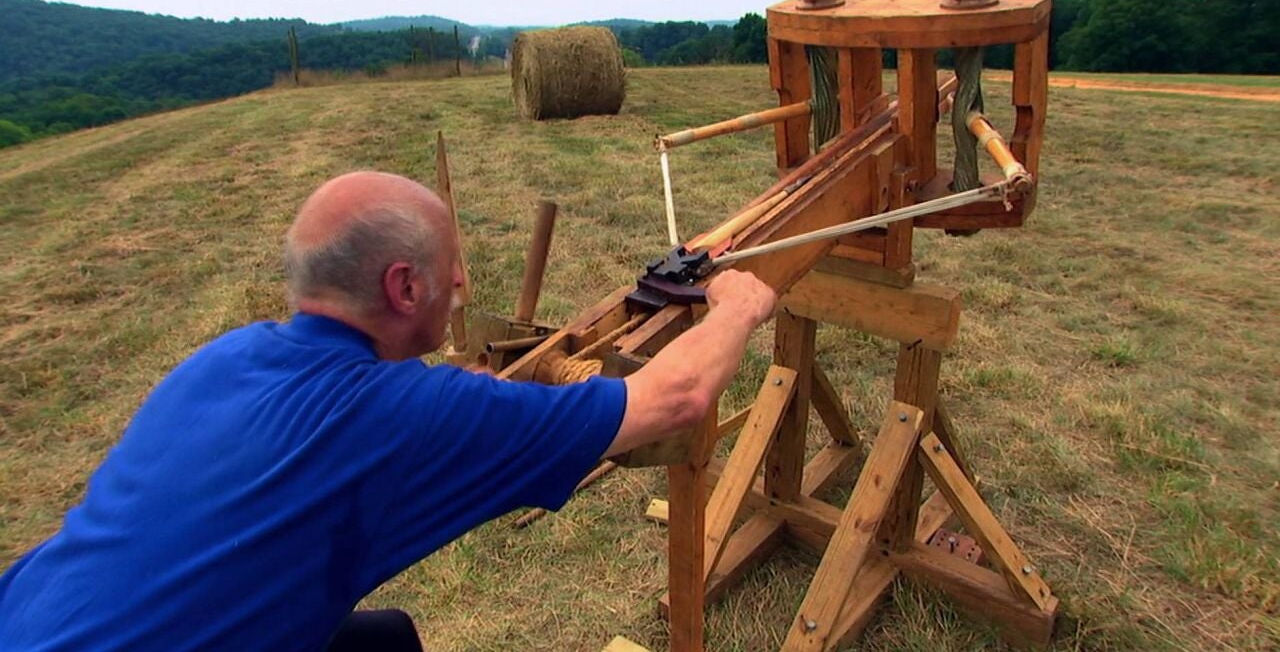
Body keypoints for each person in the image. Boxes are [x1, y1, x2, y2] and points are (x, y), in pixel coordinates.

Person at [0, 171, 778, 651]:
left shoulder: (219, 360)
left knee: (383, 640)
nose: (463, 285)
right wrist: (736, 308)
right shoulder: (401, 415)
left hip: (31, 618)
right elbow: (674, 398)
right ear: (406, 289)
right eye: (453, 271)